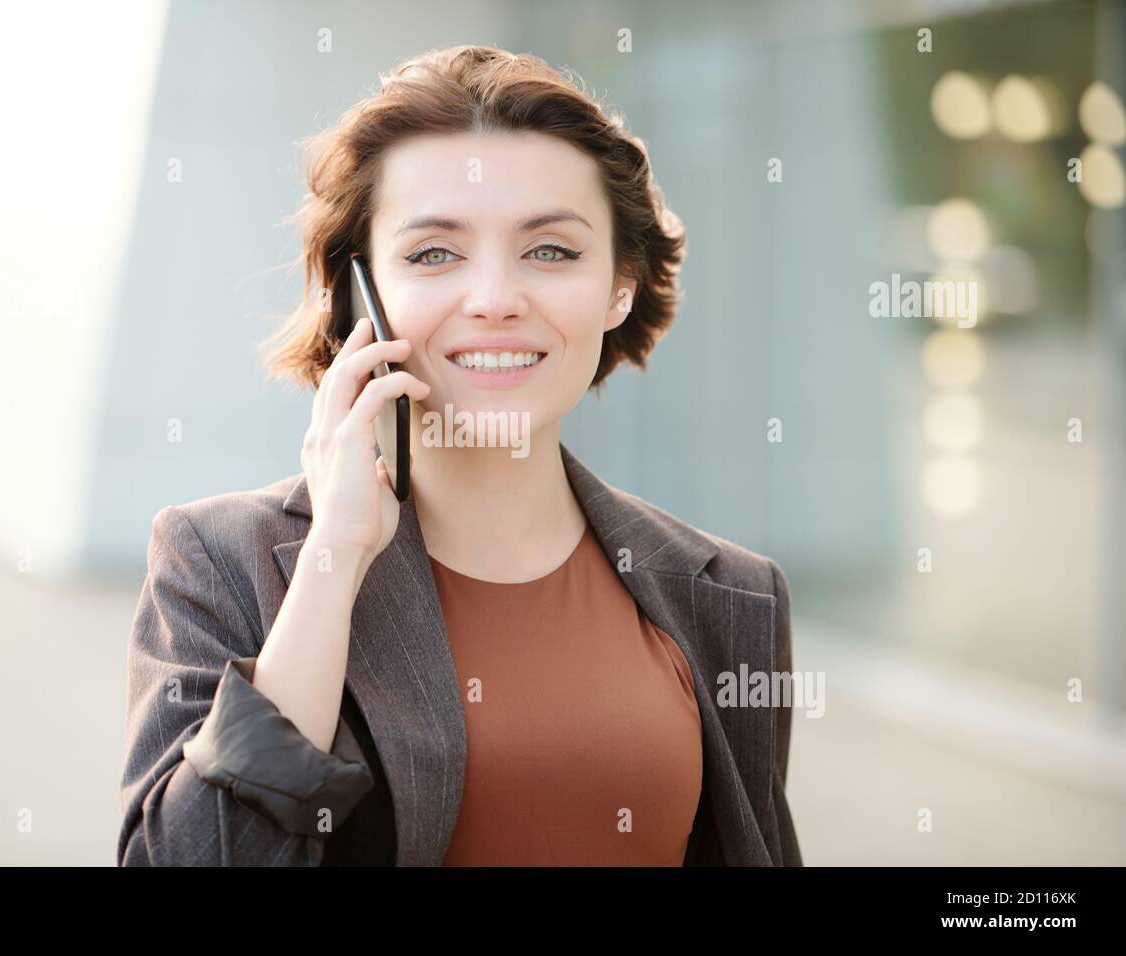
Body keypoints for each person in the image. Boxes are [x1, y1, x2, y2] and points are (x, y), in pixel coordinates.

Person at [118, 44, 801, 866]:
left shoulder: (732, 594)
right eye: (434, 253)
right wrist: (333, 562)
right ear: (360, 294)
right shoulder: (220, 563)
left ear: (620, 285)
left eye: (550, 250)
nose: (495, 300)